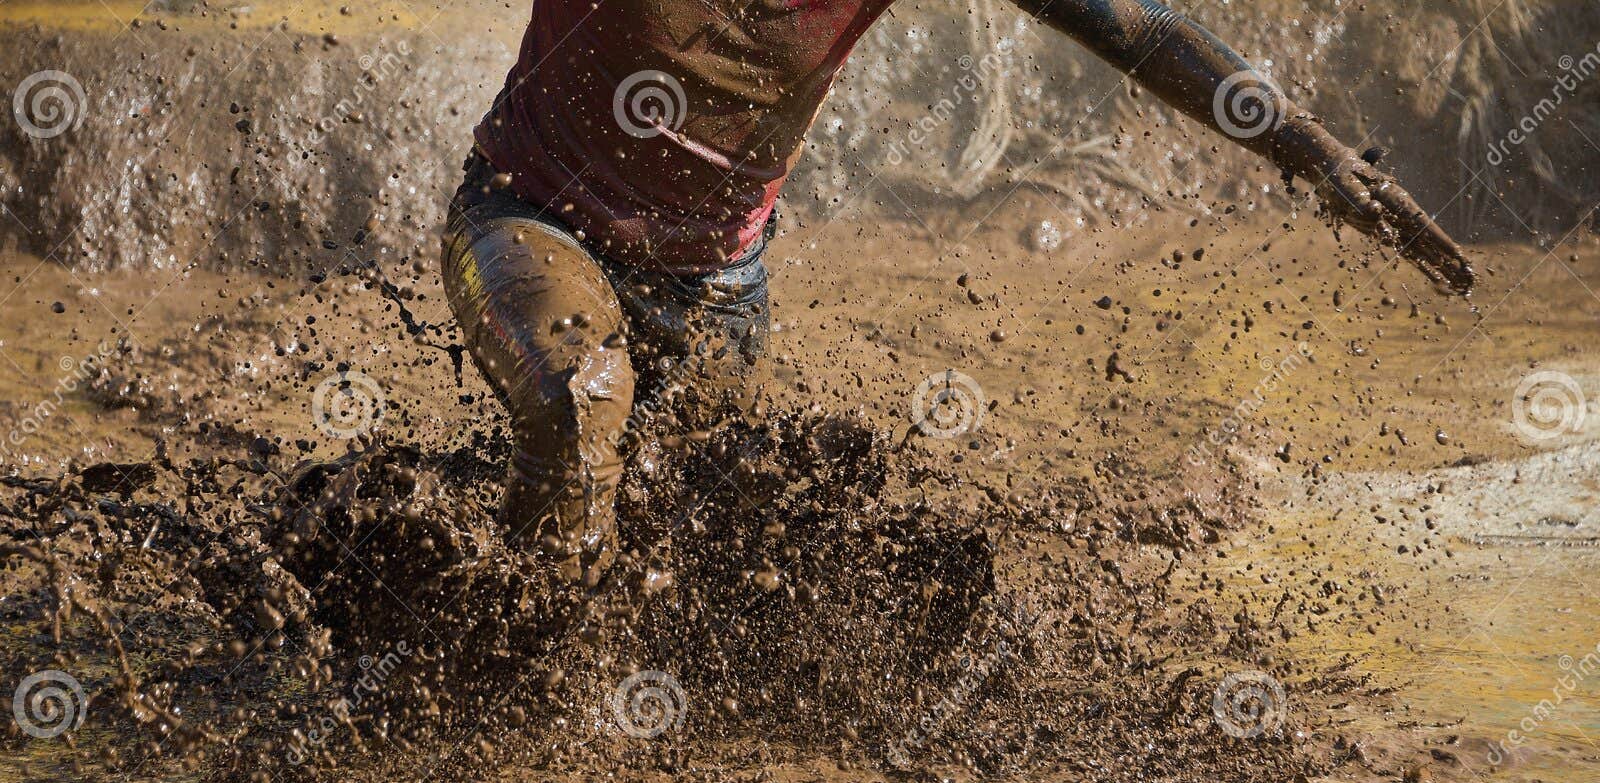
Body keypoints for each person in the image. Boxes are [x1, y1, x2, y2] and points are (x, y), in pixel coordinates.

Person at [442, 0, 1474, 586]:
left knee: (683, 533)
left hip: (716, 285)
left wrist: (1313, 153)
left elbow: (1138, 29)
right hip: (530, 214)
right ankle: (532, 709)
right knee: (579, 401)